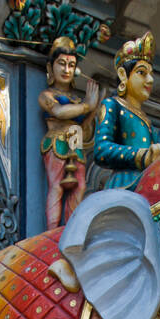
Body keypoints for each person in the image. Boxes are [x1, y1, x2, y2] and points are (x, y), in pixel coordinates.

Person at [93, 31, 160, 188]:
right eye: (142, 73)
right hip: (125, 186)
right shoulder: (112, 105)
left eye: (151, 74)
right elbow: (102, 150)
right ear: (123, 75)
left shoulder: (146, 121)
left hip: (148, 184)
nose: (150, 80)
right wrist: (141, 155)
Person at [38, 36, 100, 228]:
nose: (66, 70)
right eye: (61, 64)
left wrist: (93, 110)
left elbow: (85, 130)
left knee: (79, 186)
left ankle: (71, 228)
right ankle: (51, 231)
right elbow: (58, 112)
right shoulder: (48, 95)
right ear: (51, 67)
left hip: (76, 142)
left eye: (71, 65)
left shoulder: (75, 100)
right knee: (56, 185)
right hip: (57, 141)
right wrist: (86, 106)